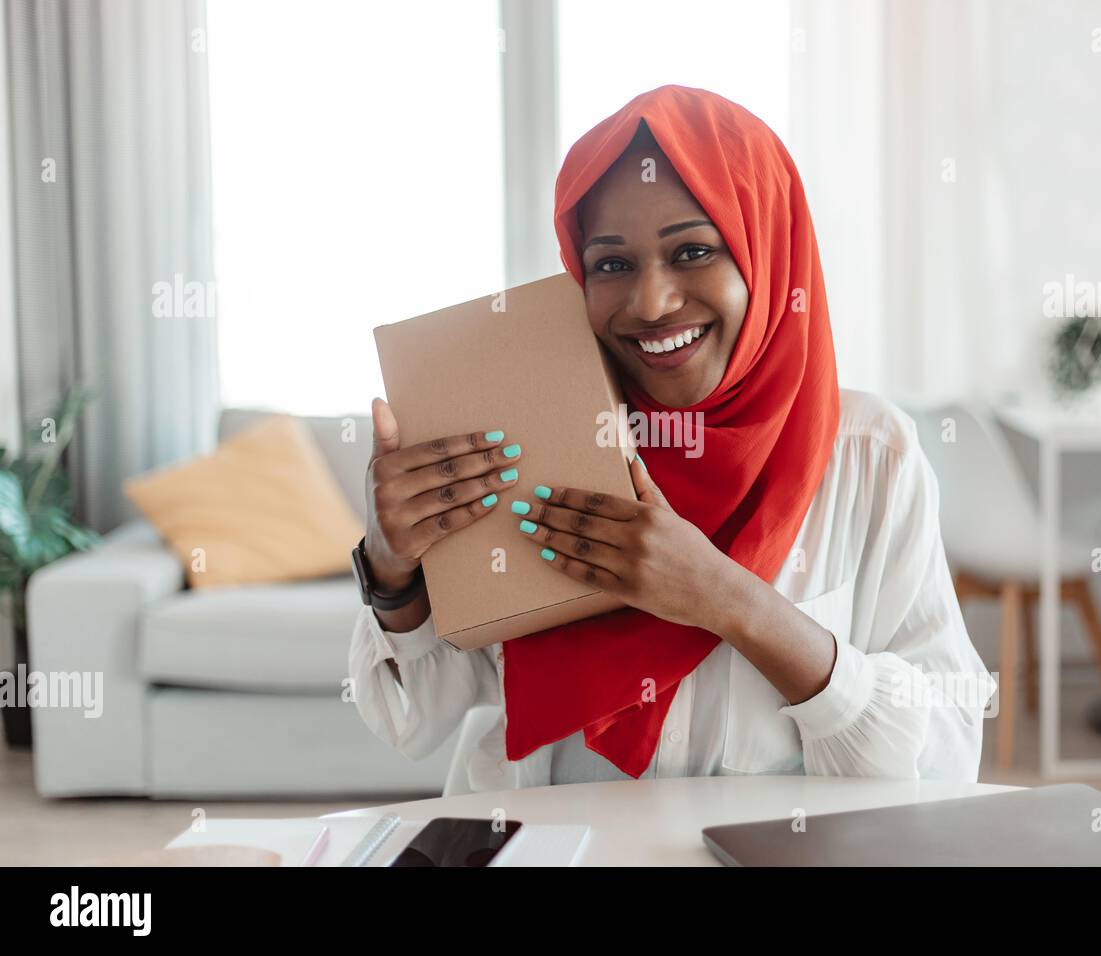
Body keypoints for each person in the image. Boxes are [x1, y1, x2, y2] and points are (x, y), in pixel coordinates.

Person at [348, 85, 992, 793]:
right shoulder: (531, 432)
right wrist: (392, 565)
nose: (651, 304)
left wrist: (729, 601)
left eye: (692, 251)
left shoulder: (872, 457)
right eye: (613, 264)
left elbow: (948, 758)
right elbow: (417, 721)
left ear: (768, 255)